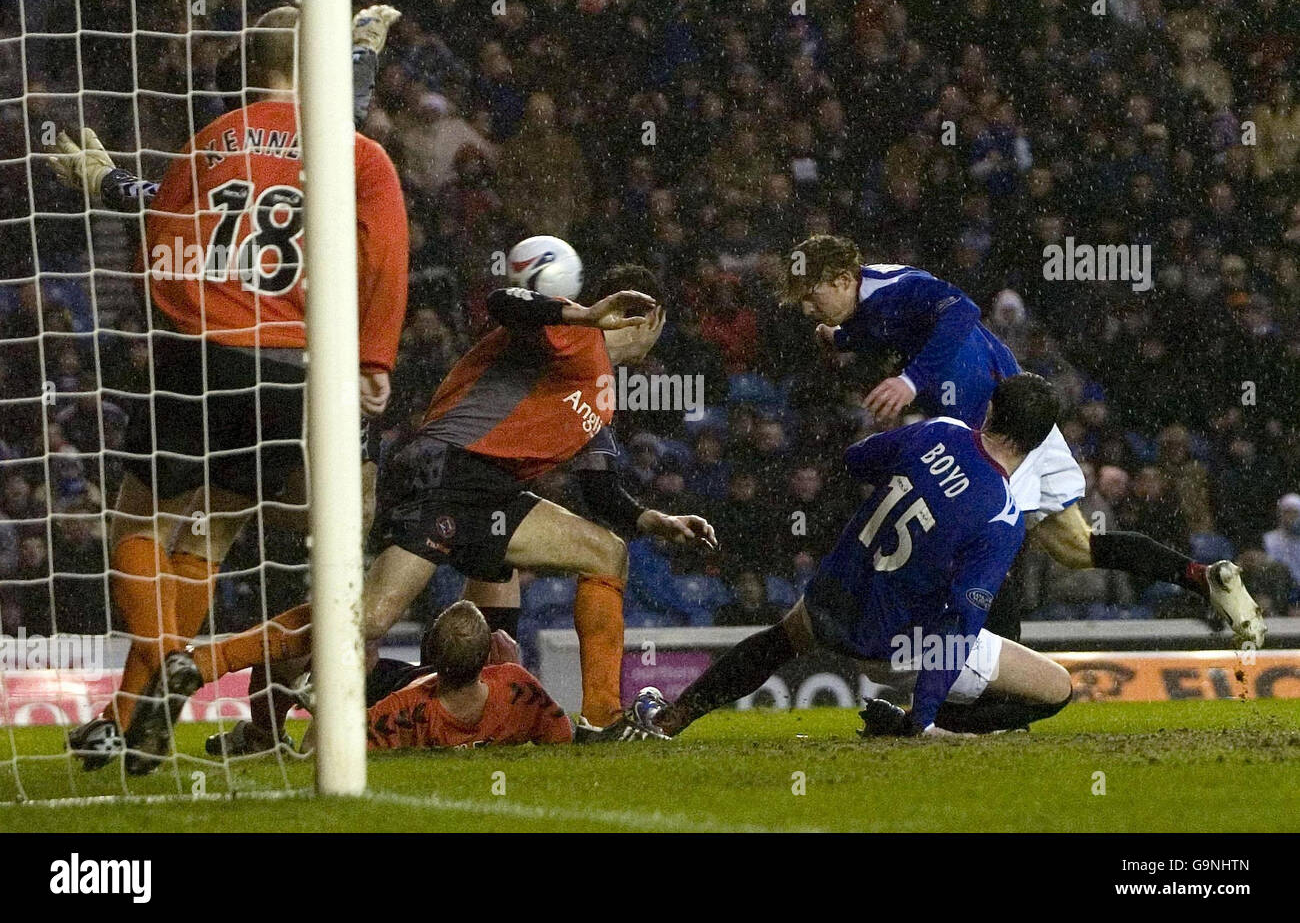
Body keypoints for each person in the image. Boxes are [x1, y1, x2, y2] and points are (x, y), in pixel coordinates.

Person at [152, 264, 716, 760]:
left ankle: (601, 719)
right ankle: (202, 667)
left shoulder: (602, 394)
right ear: (648, 317)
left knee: (606, 550)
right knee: (368, 620)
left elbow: (603, 494)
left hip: (492, 494)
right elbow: (504, 301)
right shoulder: (567, 336)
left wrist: (656, 521)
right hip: (443, 472)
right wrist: (587, 314)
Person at [50, 5, 409, 774]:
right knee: (216, 533)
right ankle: (131, 712)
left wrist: (116, 192)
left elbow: (164, 231)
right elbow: (385, 254)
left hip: (204, 353)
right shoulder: (355, 151)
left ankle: (173, 664)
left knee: (143, 520)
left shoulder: (210, 141)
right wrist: (373, 357)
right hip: (298, 372)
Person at [782, 236, 1265, 649]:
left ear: (843, 278)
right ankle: (1203, 578)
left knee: (976, 548)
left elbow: (962, 309)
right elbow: (889, 328)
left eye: (811, 295)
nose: (807, 309)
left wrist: (910, 381)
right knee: (1076, 547)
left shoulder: (894, 287)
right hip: (1014, 423)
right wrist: (842, 340)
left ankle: (999, 692)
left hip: (992, 434)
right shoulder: (866, 306)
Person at [639, 373, 1073, 738]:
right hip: (896, 648)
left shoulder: (939, 431)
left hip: (832, 602)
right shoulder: (1003, 515)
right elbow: (960, 622)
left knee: (777, 642)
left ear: (990, 409)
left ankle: (674, 717)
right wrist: (920, 717)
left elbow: (856, 461)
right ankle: (924, 728)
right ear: (1036, 444)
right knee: (1058, 689)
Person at [361, 601, 661, 750]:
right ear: (486, 660)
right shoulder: (516, 687)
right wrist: (511, 672)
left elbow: (328, 745)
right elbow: (564, 739)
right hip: (431, 679)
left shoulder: (401, 709)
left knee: (366, 659)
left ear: (431, 655)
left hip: (404, 681)